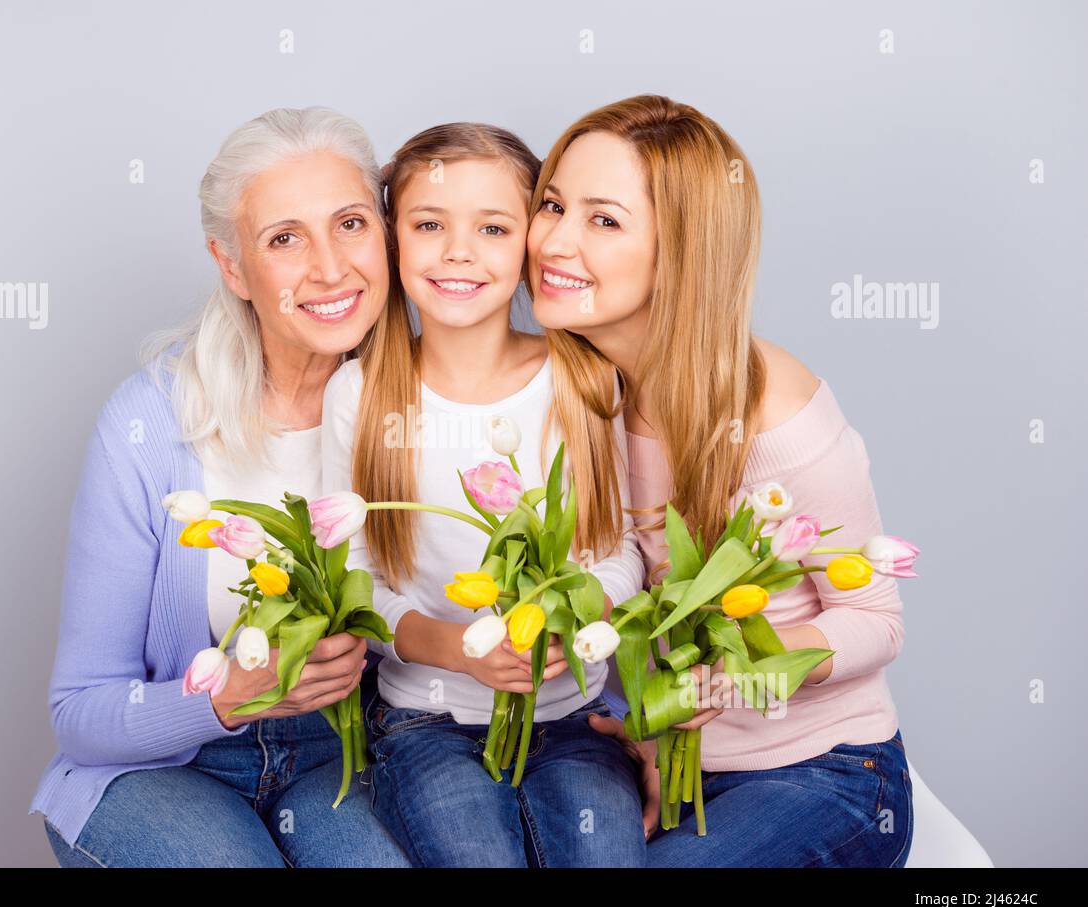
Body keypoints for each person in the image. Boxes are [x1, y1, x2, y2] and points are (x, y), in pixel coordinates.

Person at [525, 94, 913, 867]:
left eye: (604, 220)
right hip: (678, 774)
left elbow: (877, 619)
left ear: (684, 249)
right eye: (553, 205)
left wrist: (728, 675)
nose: (554, 241)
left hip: (829, 776)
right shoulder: (586, 398)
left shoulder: (771, 408)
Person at [29, 106, 409, 867]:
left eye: (351, 223)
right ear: (232, 265)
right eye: (284, 238)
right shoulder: (151, 421)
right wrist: (228, 694)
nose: (331, 267)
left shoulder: (421, 406)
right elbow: (81, 710)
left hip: (336, 760)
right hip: (166, 766)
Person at [320, 122, 647, 867]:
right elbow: (357, 585)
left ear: (529, 244)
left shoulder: (580, 380)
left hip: (574, 720)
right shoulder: (363, 395)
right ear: (395, 242)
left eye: (492, 227)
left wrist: (576, 619)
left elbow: (618, 552)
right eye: (430, 225)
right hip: (426, 721)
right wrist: (462, 653)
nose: (458, 251)